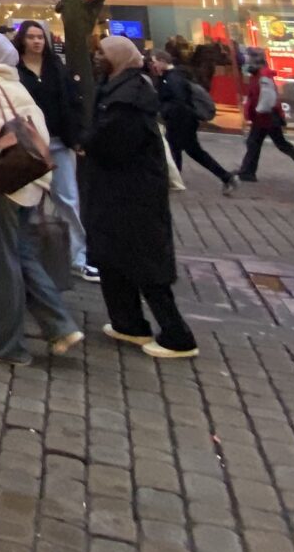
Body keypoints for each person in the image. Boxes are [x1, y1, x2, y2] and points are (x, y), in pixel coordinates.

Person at [0, 30, 83, 366]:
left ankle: (4, 344)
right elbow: (39, 133)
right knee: (23, 256)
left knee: (1, 262)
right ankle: (59, 324)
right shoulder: (18, 86)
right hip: (28, 183)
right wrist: (42, 180)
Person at [82, 35, 199, 357]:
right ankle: (128, 322)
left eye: (102, 53)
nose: (97, 58)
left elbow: (114, 141)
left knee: (144, 262)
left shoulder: (131, 95)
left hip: (132, 193)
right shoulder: (117, 85)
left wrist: (86, 143)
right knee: (113, 257)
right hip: (113, 189)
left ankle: (177, 334)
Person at [14, 20, 92, 280]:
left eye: (40, 37)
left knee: (68, 199)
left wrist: (77, 136)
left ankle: (79, 254)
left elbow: (71, 102)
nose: (37, 41)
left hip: (58, 141)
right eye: (31, 37)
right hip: (27, 143)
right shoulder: (15, 70)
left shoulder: (56, 68)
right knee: (24, 199)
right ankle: (24, 251)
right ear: (22, 40)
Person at [158, 37, 236, 193]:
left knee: (177, 149)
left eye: (154, 61)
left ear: (162, 60)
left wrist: (166, 111)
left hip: (181, 119)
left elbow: (178, 100)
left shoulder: (173, 78)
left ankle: (175, 181)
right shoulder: (176, 75)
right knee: (191, 150)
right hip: (186, 119)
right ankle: (226, 176)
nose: (152, 65)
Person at [237, 50, 294, 186]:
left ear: (255, 61)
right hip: (265, 116)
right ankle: (247, 171)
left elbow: (267, 97)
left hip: (266, 117)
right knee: (255, 142)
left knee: (278, 145)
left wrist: (259, 111)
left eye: (248, 60)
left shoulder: (263, 75)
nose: (246, 63)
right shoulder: (259, 74)